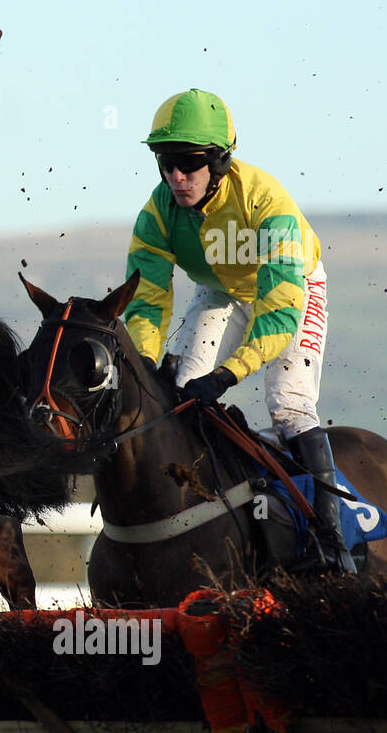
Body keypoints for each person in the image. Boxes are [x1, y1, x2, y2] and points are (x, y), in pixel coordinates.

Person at [123, 88, 356, 573]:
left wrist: (229, 375)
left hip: (292, 288)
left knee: (289, 405)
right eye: (165, 163)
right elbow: (147, 298)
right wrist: (145, 362)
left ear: (221, 161)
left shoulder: (268, 203)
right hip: (221, 290)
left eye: (187, 162)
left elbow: (277, 312)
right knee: (182, 395)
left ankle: (332, 543)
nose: (175, 177)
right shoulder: (157, 210)